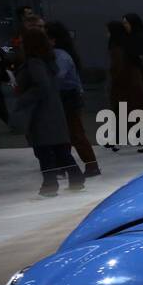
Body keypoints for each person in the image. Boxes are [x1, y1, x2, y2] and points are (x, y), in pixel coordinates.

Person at [13, 28, 84, 197]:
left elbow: (41, 86)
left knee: (44, 150)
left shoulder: (34, 62)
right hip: (52, 109)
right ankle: (74, 178)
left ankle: (50, 185)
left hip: (40, 113)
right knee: (59, 149)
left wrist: (23, 98)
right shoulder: (48, 60)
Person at [46, 21, 100, 176]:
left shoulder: (60, 56)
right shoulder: (63, 54)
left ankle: (91, 166)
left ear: (53, 39)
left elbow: (59, 78)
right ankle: (75, 166)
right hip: (68, 97)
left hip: (67, 97)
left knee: (75, 134)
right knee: (71, 134)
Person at [106, 20, 143, 153]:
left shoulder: (116, 48)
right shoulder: (129, 44)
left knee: (124, 114)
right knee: (138, 115)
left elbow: (117, 68)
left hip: (125, 88)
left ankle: (117, 140)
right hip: (134, 85)